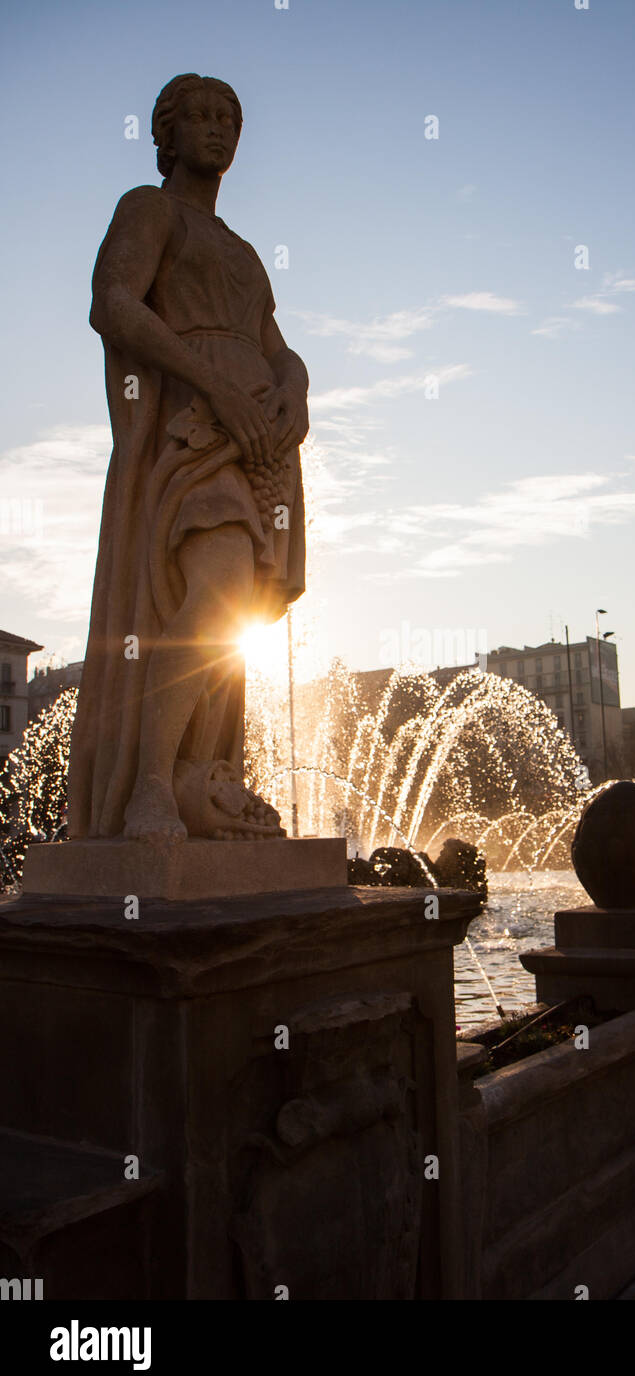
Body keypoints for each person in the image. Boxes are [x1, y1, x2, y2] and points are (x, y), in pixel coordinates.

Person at [68, 74, 308, 847]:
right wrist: (214, 386)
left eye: (227, 117)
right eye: (198, 117)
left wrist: (295, 389)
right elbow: (114, 303)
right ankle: (147, 790)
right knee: (214, 599)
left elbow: (276, 348)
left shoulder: (241, 251)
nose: (216, 129)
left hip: (262, 444)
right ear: (165, 136)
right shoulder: (149, 208)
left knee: (236, 623)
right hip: (194, 431)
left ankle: (203, 780)